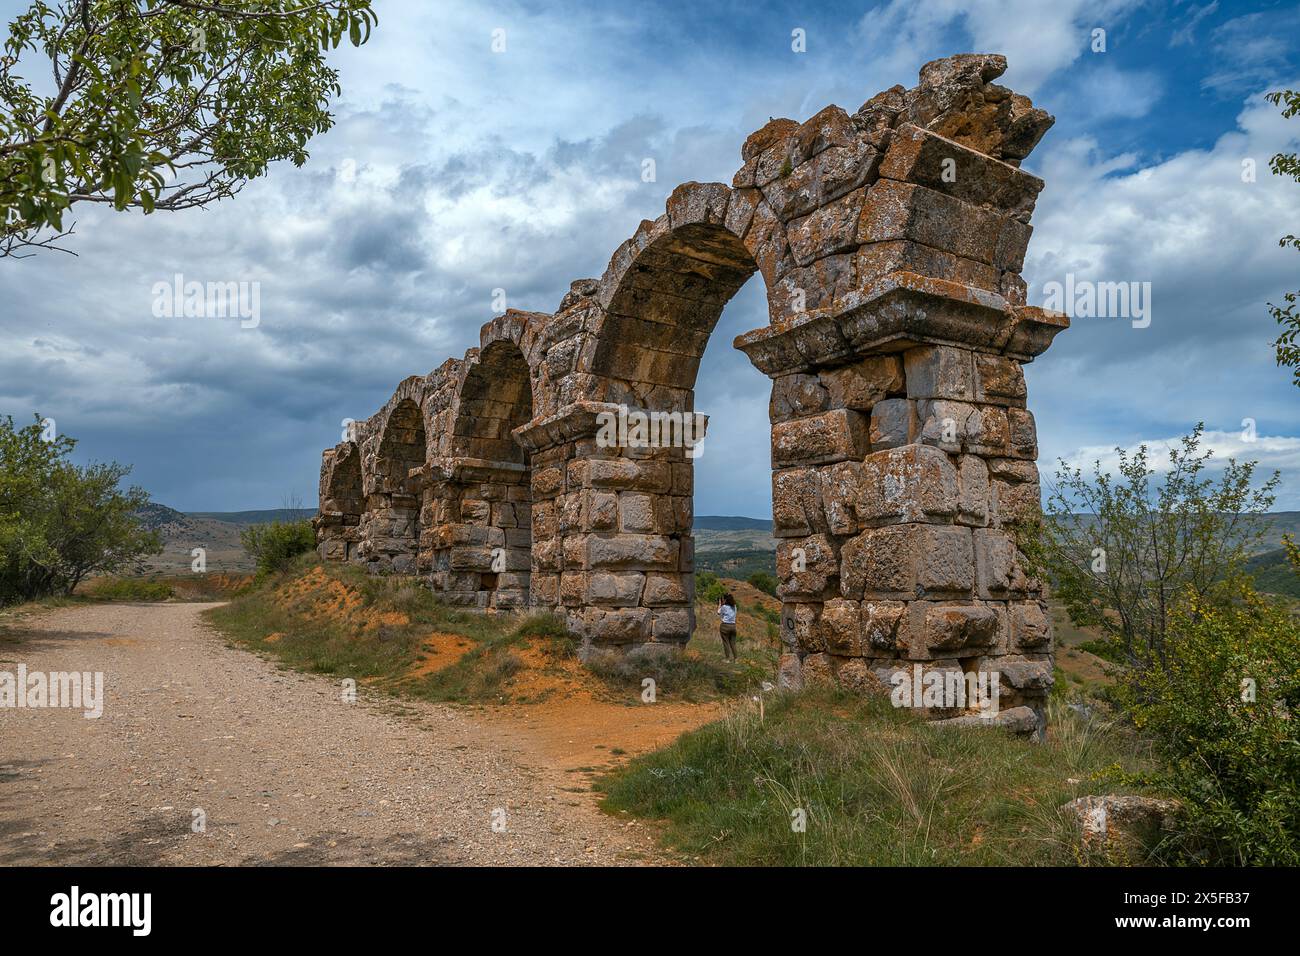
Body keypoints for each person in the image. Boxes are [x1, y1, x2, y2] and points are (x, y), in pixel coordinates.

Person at [716, 592, 738, 662]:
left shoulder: (724, 607)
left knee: (726, 643)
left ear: (725, 600)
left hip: (725, 626)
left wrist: (720, 604)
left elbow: (718, 612)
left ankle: (727, 659)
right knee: (733, 643)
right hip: (733, 626)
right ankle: (736, 659)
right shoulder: (734, 607)